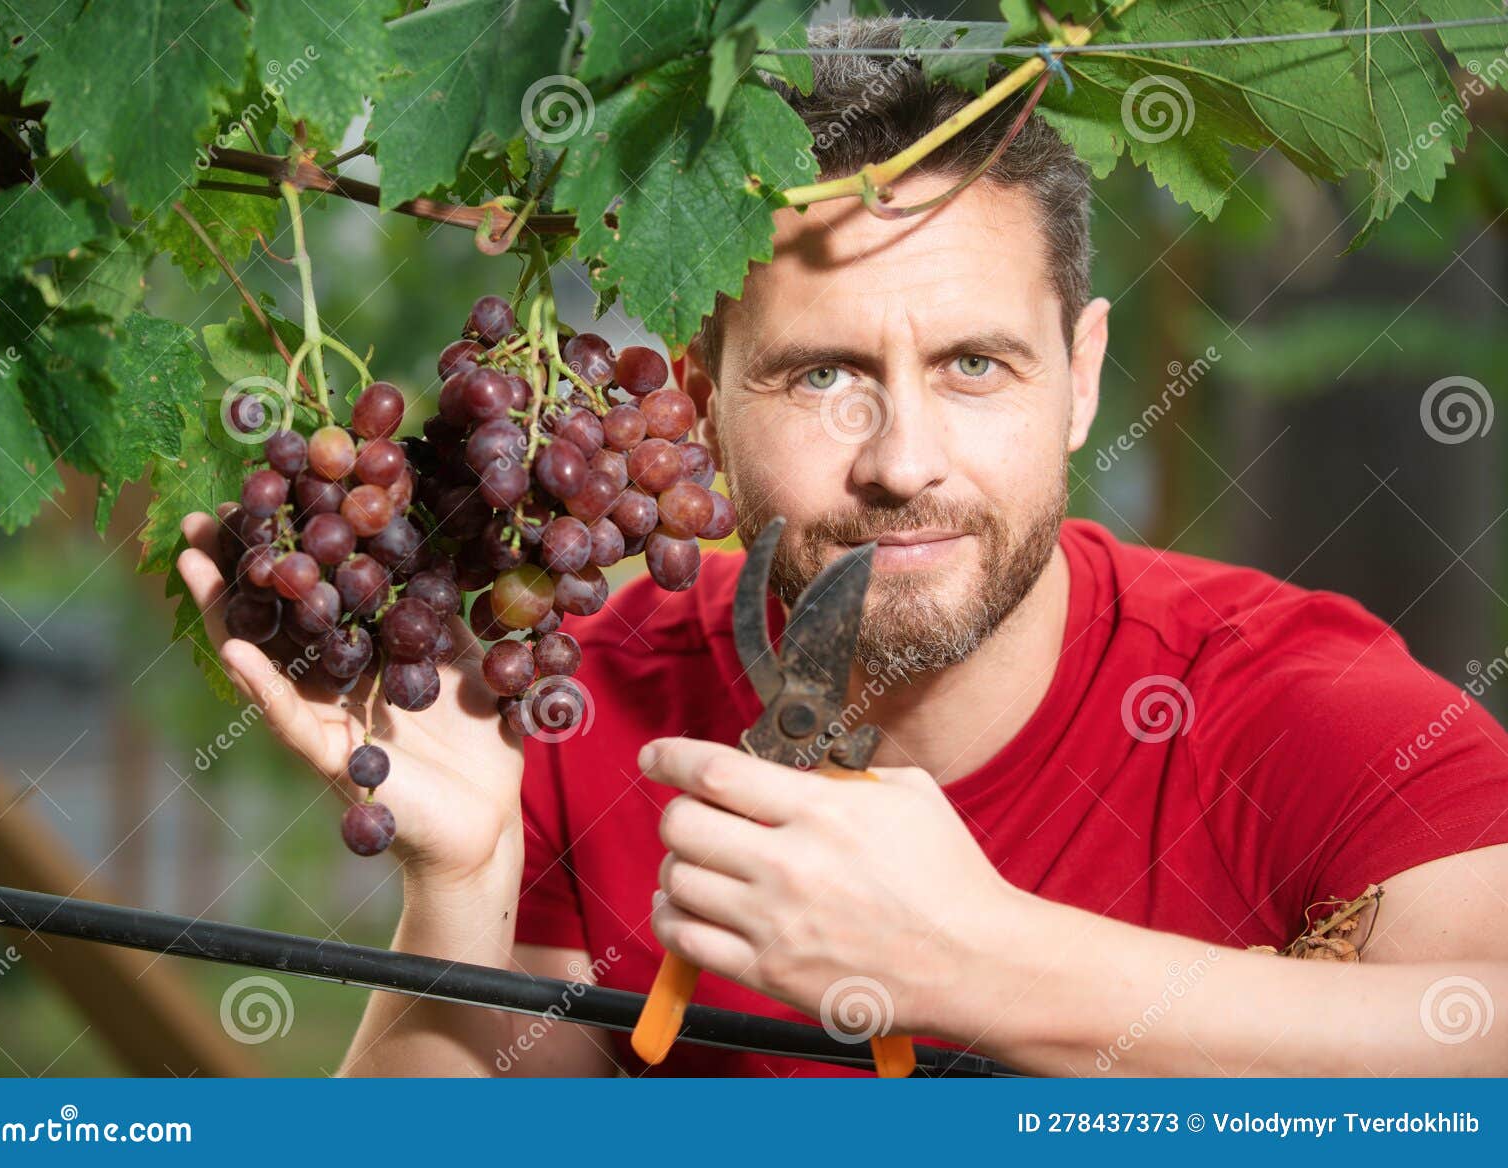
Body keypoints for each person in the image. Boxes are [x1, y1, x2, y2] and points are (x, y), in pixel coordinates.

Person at [177, 18, 1508, 1076]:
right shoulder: (577, 707)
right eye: (821, 377)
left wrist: (982, 962)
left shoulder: (1287, 702)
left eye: (976, 364)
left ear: (1084, 374)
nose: (902, 460)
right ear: (694, 399)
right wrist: (460, 891)